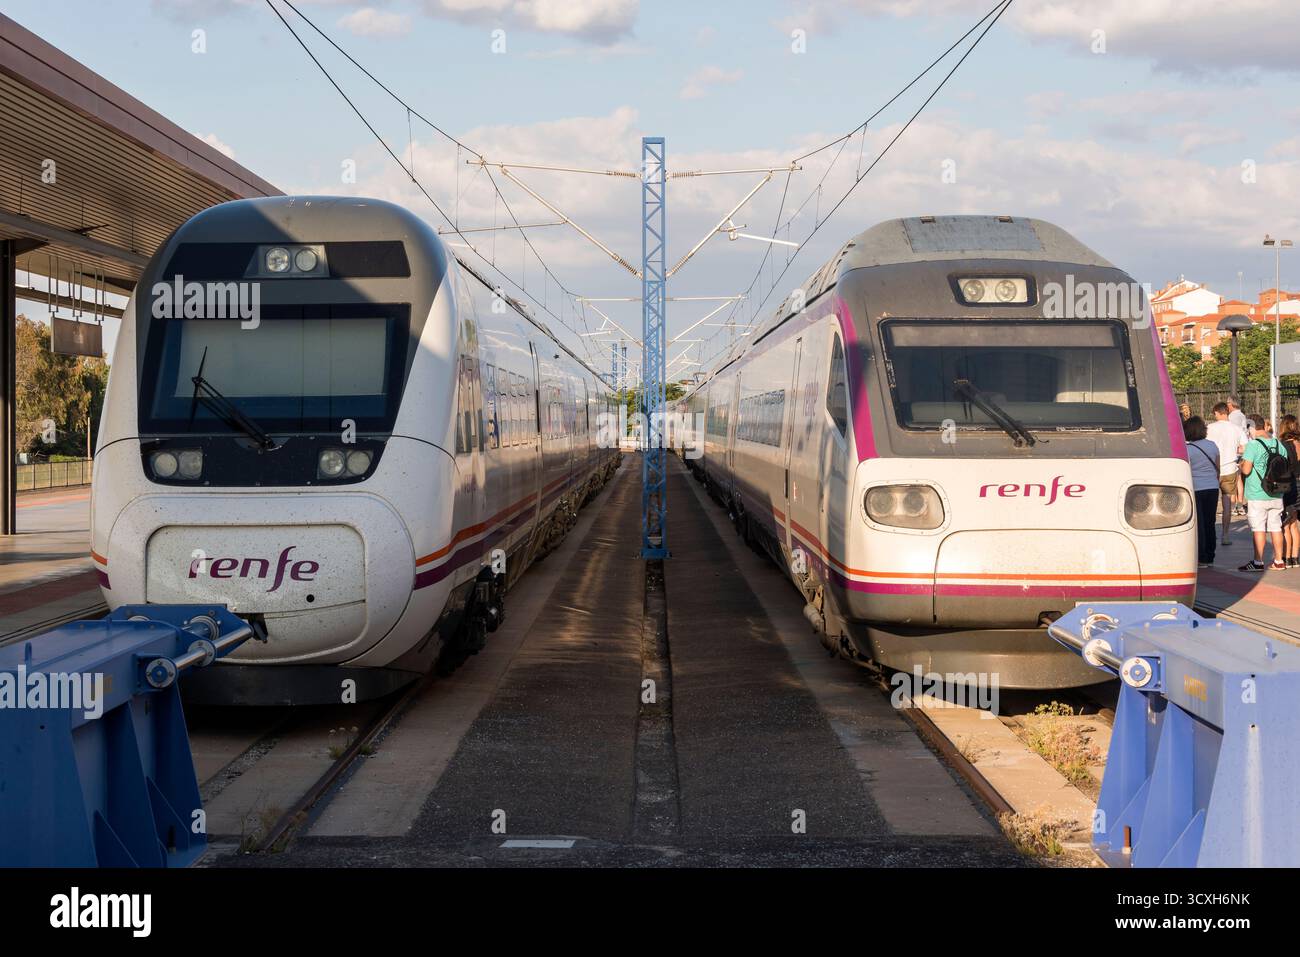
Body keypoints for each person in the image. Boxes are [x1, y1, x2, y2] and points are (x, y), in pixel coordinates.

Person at [1239, 413, 1289, 571]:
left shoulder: (1253, 445)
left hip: (1257, 493)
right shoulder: (1279, 444)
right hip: (1277, 492)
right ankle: (1279, 560)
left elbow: (1246, 470)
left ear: (1252, 427)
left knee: (1258, 528)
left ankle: (1258, 561)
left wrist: (1241, 463)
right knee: (1276, 526)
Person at [1206, 402, 1247, 544]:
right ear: (1227, 412)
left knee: (1210, 503)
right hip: (1230, 469)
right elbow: (1244, 448)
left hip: (1212, 469)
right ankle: (1225, 535)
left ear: (1217, 412)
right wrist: (1234, 452)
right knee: (1227, 502)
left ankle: (1209, 532)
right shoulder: (1236, 429)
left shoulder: (1209, 428)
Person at [1184, 416, 1221, 567]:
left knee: (1199, 524)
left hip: (1197, 488)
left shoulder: (1188, 449)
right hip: (1212, 487)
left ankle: (1202, 556)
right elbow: (1218, 468)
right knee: (1210, 522)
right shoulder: (1212, 445)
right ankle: (1210, 555)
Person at [1279, 414, 1300, 567]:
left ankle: (1286, 557)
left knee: (1286, 523)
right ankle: (1295, 557)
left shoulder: (1284, 445)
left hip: (1290, 484)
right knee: (1294, 523)